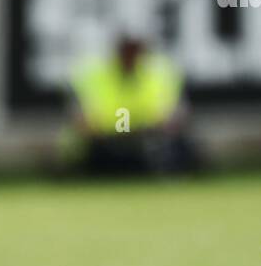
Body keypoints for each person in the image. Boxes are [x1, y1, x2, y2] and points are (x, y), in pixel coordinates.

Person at [65, 36, 198, 176]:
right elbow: (80, 120)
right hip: (104, 142)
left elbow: (177, 116)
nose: (130, 57)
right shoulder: (93, 74)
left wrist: (156, 127)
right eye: (126, 51)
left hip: (148, 141)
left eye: (134, 51)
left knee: (174, 147)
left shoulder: (160, 74)